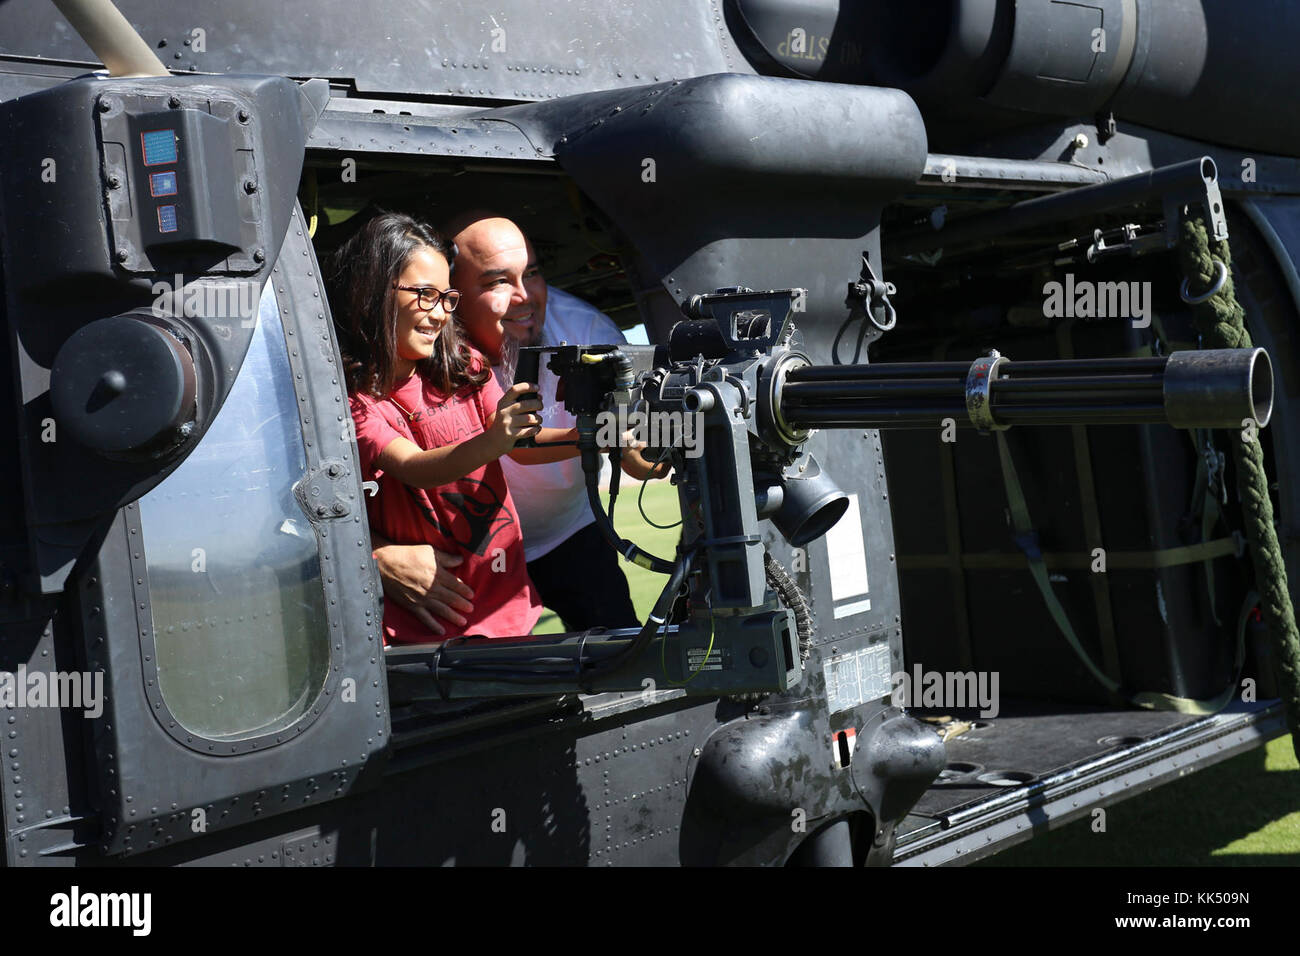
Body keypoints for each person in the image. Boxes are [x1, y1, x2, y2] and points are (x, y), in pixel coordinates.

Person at [372, 211, 662, 633]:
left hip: (568, 534)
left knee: (616, 648)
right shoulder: (404, 365)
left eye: (534, 273)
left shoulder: (587, 332)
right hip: (461, 562)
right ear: (449, 297)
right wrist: (375, 555)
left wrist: (639, 448)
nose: (525, 296)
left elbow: (630, 445)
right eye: (497, 282)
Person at [326, 211, 580, 644]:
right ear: (371, 294)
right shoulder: (355, 402)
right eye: (425, 294)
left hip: (506, 606)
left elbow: (518, 444)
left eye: (448, 297)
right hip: (427, 630)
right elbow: (418, 467)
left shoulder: (464, 364)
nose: (441, 313)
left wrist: (593, 438)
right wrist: (493, 439)